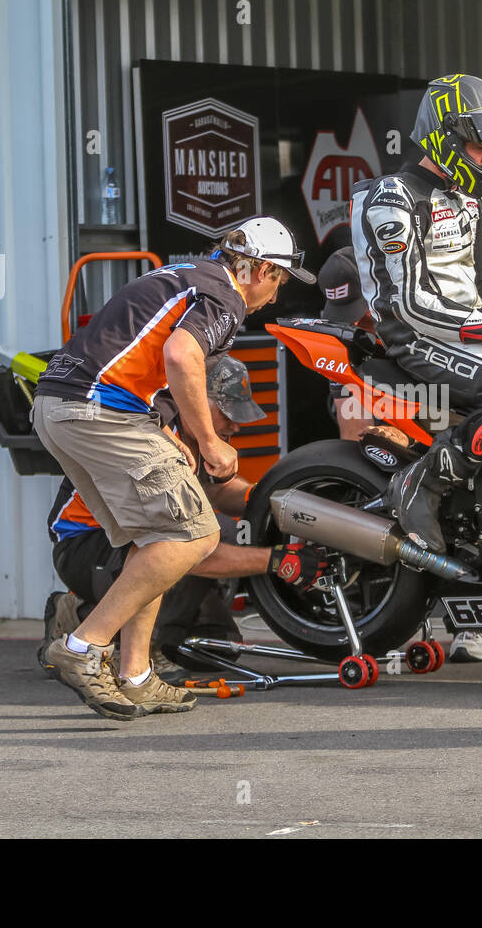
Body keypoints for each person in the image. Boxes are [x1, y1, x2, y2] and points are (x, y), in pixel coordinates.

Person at [33, 216, 316, 719]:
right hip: (97, 408)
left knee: (156, 539)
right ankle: (81, 647)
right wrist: (207, 440)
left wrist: (163, 430)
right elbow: (182, 355)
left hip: (61, 404)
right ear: (257, 269)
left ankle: (137, 675)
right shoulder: (223, 295)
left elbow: (133, 351)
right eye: (279, 280)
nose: (274, 296)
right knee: (195, 536)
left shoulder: (182, 272)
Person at [351, 73, 482, 663]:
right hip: (415, 340)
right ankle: (421, 482)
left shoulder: (466, 199)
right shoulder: (390, 198)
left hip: (469, 335)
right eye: (480, 144)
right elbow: (412, 302)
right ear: (444, 137)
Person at [39, 357, 328, 675]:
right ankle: (81, 617)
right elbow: (183, 544)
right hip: (86, 544)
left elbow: (219, 491)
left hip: (139, 540)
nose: (236, 425)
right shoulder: (153, 432)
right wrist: (277, 560)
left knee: (213, 646)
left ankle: (158, 636)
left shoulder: (205, 436)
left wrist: (267, 499)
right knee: (198, 539)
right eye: (227, 413)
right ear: (190, 397)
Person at [317, 246, 374, 441]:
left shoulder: (420, 322)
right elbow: (355, 436)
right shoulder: (343, 343)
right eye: (346, 315)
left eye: (358, 310)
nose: (355, 323)